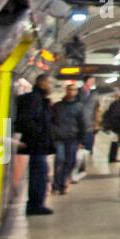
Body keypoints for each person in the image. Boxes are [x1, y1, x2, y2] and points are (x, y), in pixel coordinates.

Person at [13, 74, 56, 215]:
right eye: (49, 83)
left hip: (38, 144)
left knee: (40, 173)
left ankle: (36, 203)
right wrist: (40, 135)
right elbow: (29, 121)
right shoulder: (35, 100)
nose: (51, 86)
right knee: (39, 173)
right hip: (37, 144)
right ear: (42, 83)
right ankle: (35, 205)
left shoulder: (39, 99)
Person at [51, 82, 87, 194]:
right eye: (69, 89)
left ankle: (64, 182)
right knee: (59, 160)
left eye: (73, 90)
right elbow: (51, 121)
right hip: (59, 138)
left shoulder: (79, 107)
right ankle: (56, 185)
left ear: (76, 92)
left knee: (70, 162)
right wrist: (54, 132)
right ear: (66, 91)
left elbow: (82, 124)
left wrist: (82, 140)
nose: (71, 92)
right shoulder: (57, 106)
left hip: (73, 138)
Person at [77, 76, 99, 159]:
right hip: (78, 126)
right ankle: (80, 168)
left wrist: (96, 123)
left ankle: (85, 168)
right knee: (79, 150)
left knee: (88, 148)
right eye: (91, 81)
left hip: (90, 125)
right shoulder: (77, 93)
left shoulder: (94, 94)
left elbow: (97, 109)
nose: (93, 83)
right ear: (86, 82)